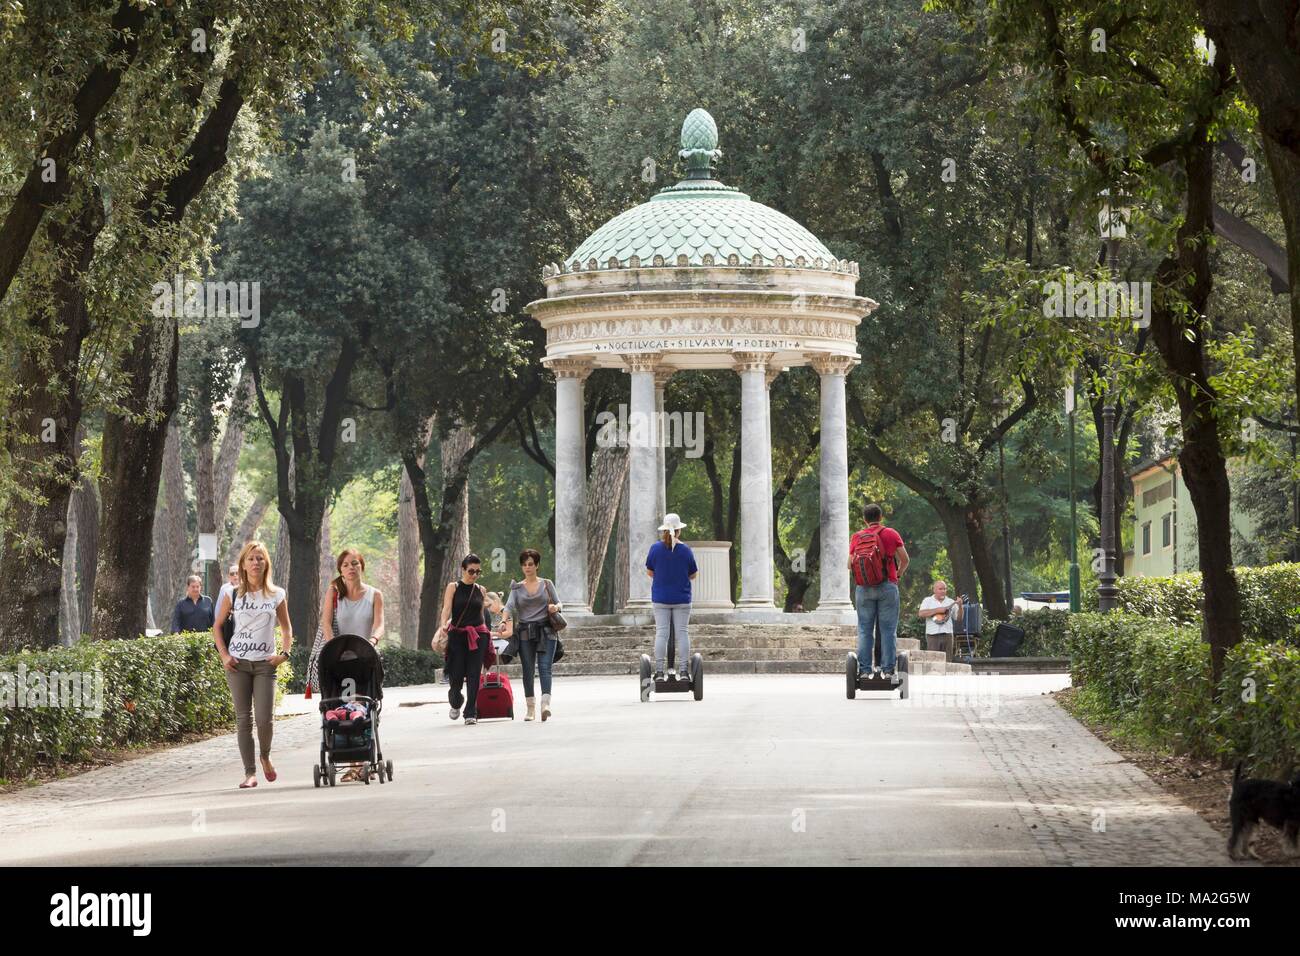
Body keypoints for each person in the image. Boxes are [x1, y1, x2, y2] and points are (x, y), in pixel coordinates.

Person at [213, 540, 292, 789]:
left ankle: (265, 756)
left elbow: (287, 628)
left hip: (265, 665)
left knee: (264, 719)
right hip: (238, 664)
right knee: (243, 719)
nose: (256, 562)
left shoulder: (276, 594)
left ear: (266, 562)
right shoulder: (232, 593)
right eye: (251, 559)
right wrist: (224, 655)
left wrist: (284, 654)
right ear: (243, 564)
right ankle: (249, 772)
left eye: (260, 558)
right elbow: (216, 627)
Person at [313, 548, 385, 781]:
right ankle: (353, 761)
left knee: (364, 709)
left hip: (364, 661)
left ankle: (360, 763)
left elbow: (379, 624)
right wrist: (333, 647)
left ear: (362, 566)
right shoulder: (334, 593)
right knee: (343, 708)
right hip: (339, 662)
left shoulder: (375, 595)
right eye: (345, 564)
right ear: (340, 570)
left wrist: (373, 640)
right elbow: (325, 623)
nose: (350, 568)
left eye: (355, 563)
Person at [848, 502, 909, 678]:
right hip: (887, 586)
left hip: (864, 588)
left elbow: (849, 564)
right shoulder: (891, 533)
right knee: (888, 630)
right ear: (881, 517)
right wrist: (897, 574)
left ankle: (865, 671)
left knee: (865, 630)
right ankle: (888, 670)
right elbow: (905, 560)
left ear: (864, 519)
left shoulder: (857, 537)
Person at [501, 549, 562, 722]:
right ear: (522, 567)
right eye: (524, 564)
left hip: (546, 631)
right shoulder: (517, 587)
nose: (527, 567)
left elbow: (559, 602)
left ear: (537, 566)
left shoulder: (547, 584)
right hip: (525, 632)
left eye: (531, 564)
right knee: (528, 670)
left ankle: (545, 705)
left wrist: (555, 608)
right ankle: (530, 709)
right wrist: (503, 621)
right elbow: (508, 606)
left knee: (545, 668)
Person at [436, 554, 491, 726]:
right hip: (458, 636)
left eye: (478, 572)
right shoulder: (453, 587)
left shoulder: (481, 590)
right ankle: (455, 701)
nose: (474, 575)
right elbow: (446, 609)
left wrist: (489, 632)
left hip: (477, 635)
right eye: (471, 571)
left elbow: (482, 614)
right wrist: (443, 625)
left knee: (474, 674)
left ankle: (470, 712)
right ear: (463, 569)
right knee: (456, 673)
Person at [645, 512, 698, 681]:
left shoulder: (655, 549)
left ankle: (659, 672)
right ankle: (683, 671)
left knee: (661, 633)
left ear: (664, 531)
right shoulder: (685, 550)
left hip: (661, 598)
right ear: (679, 531)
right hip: (682, 598)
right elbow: (693, 574)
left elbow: (649, 571)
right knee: (682, 633)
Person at [918, 579, 962, 661]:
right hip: (932, 635)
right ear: (934, 590)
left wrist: (960, 606)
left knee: (948, 661)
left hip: (948, 635)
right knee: (932, 662)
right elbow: (921, 614)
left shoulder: (951, 601)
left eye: (944, 589)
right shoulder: (927, 600)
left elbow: (959, 619)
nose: (943, 591)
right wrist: (937, 610)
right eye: (940, 589)